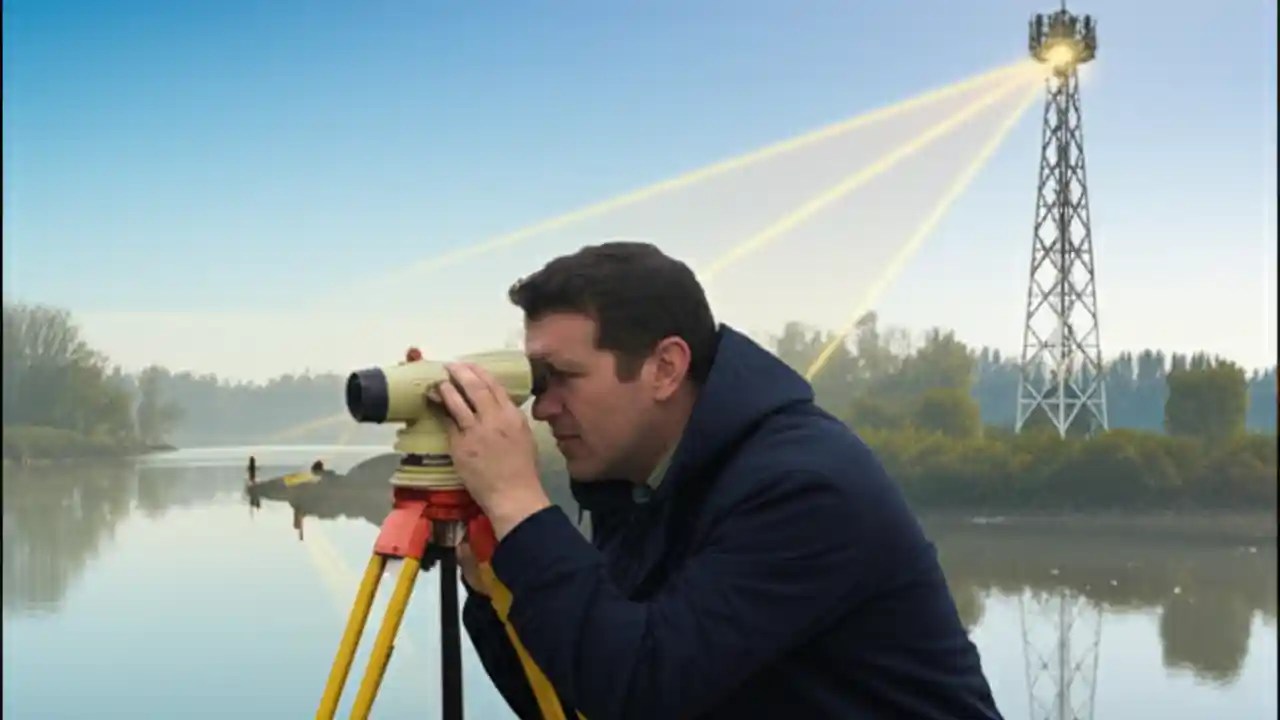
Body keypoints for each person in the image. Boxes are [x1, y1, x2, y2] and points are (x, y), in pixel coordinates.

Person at [435, 242, 1002, 719]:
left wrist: (519, 505)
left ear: (665, 368)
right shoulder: (640, 486)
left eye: (563, 377)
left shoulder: (804, 488)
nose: (542, 408)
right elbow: (579, 696)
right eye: (537, 380)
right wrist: (499, 592)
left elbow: (640, 693)